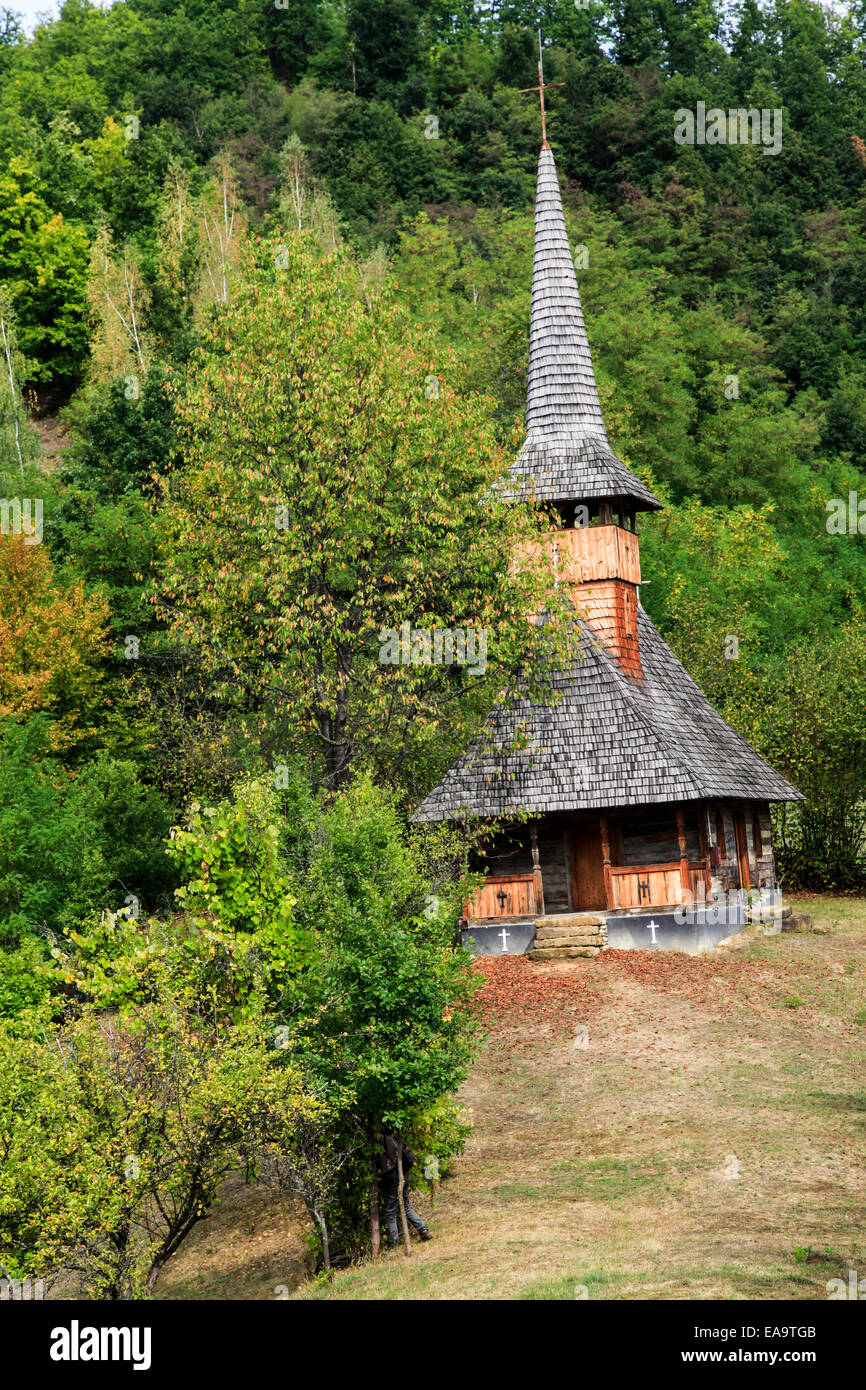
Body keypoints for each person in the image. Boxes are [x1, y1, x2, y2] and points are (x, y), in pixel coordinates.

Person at [378, 1132, 432, 1249]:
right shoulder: (394, 1133)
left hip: (391, 1174)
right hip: (403, 1172)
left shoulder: (379, 1136)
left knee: (391, 1211)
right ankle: (423, 1230)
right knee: (405, 1205)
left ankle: (393, 1243)